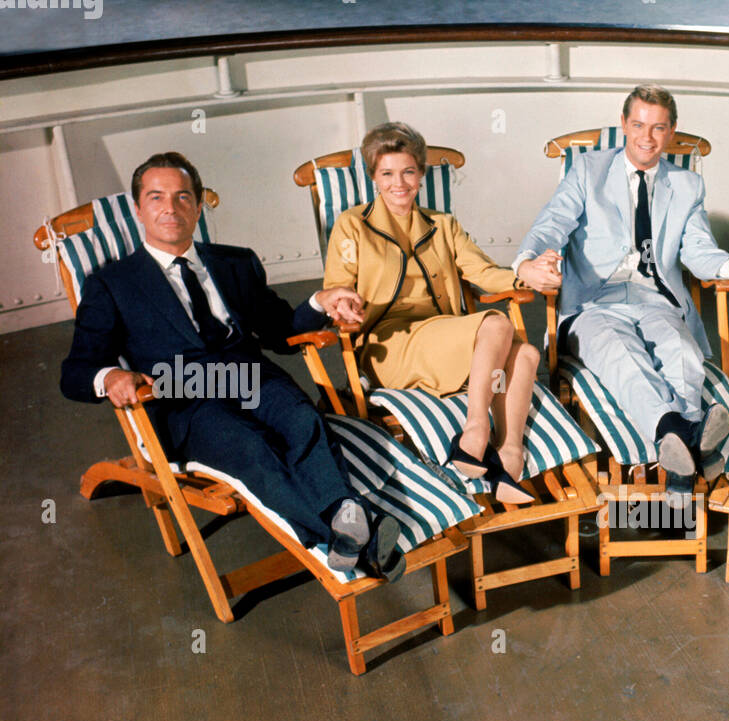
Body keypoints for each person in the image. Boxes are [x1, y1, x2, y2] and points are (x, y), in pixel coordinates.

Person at [61, 151, 407, 580]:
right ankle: (365, 540)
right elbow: (75, 373)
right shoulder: (111, 284)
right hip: (179, 396)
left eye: (183, 197)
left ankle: (346, 531)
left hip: (250, 376)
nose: (170, 208)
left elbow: (279, 333)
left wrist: (322, 300)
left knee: (302, 421)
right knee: (251, 448)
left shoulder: (234, 262)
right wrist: (109, 375)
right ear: (138, 209)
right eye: (156, 197)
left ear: (199, 204)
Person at [515, 84, 729, 488]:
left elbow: (698, 252)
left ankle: (677, 456)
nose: (646, 137)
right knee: (621, 353)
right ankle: (687, 436)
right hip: (594, 304)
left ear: (671, 131)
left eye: (658, 128)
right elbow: (552, 223)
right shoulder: (589, 170)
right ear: (623, 124)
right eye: (638, 124)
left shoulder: (687, 186)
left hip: (656, 299)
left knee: (681, 351)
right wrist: (527, 263)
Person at [323, 122, 539, 504]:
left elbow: (483, 272)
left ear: (421, 174)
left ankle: (509, 461)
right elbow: (336, 286)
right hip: (387, 345)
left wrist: (524, 276)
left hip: (443, 333)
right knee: (498, 325)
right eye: (387, 173)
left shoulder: (442, 225)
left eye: (408, 171)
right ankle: (475, 431)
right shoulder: (353, 225)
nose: (398, 183)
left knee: (527, 354)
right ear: (374, 177)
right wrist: (343, 304)